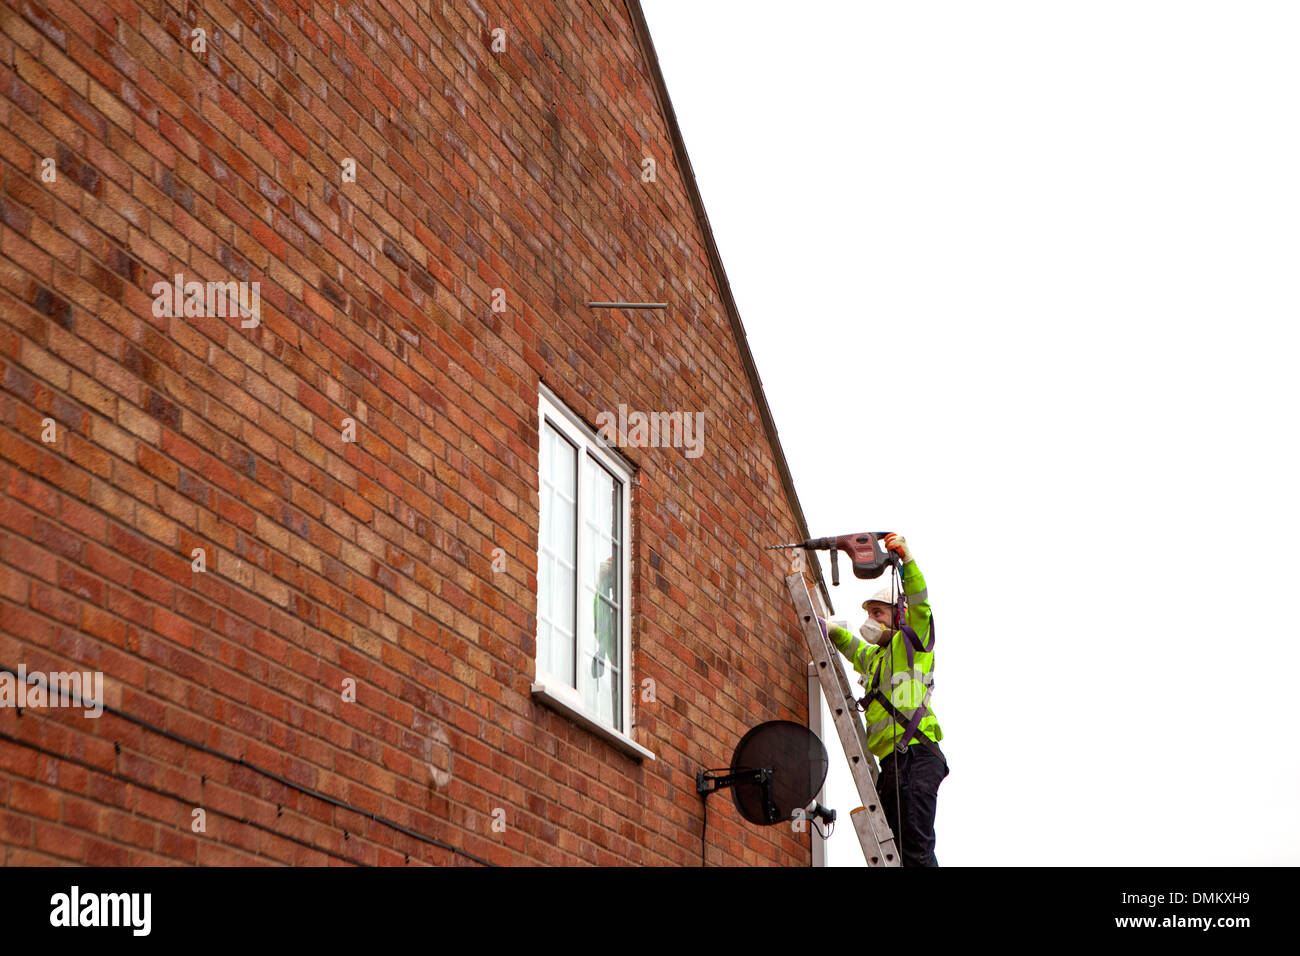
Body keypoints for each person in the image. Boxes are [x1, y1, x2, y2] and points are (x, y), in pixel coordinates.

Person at [821, 533, 948, 867]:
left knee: (916, 851)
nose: (871, 620)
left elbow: (920, 602)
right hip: (891, 765)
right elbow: (854, 649)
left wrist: (907, 560)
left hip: (917, 757)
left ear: (898, 614)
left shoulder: (912, 644)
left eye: (878, 612)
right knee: (898, 852)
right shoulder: (878, 658)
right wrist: (832, 631)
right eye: (870, 613)